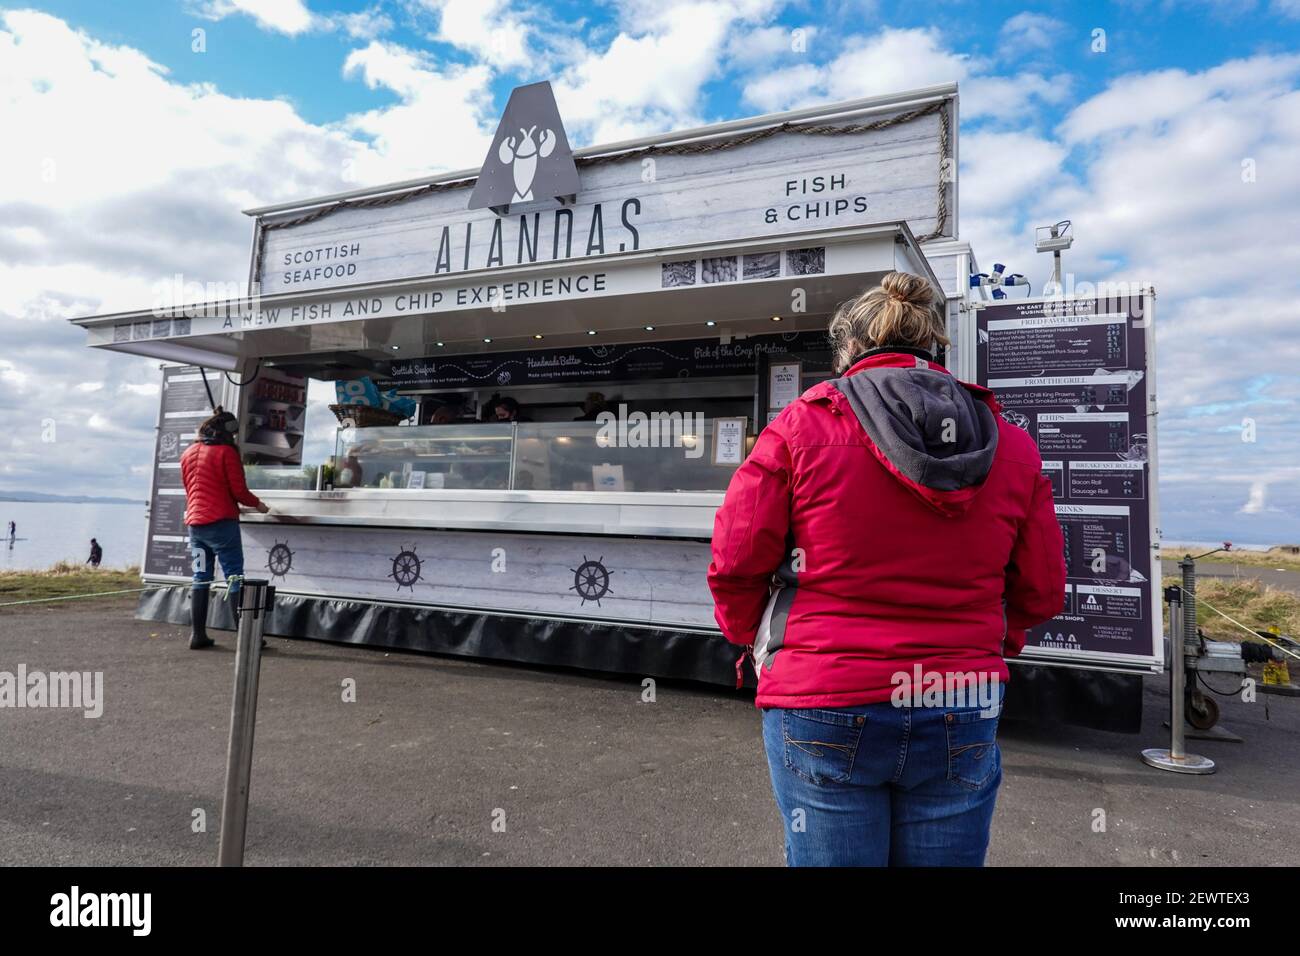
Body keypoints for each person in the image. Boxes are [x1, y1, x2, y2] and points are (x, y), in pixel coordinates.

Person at [708, 271, 1066, 867]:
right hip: (961, 694)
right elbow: (1041, 587)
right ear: (935, 345)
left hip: (823, 693)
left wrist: (753, 637)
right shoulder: (1011, 443)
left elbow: (737, 557)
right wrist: (994, 638)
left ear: (848, 349)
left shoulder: (800, 426)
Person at [180, 407, 271, 650]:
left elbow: (190, 491)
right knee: (234, 577)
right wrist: (259, 505)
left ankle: (197, 635)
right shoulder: (226, 453)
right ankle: (244, 636)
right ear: (228, 432)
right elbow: (239, 491)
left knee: (200, 578)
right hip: (222, 524)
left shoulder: (188, 453)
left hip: (196, 527)